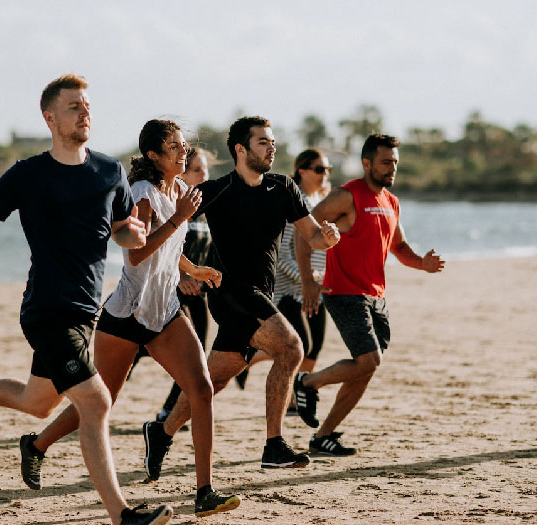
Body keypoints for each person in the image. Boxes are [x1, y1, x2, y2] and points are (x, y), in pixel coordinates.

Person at [0, 74, 172, 525]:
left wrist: (134, 236)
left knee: (37, 403)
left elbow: (123, 228)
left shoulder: (109, 172)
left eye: (87, 106)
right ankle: (122, 519)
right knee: (96, 403)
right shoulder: (28, 174)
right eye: (74, 107)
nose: (85, 113)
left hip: (85, 312)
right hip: (45, 310)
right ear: (50, 118)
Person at [19, 120, 240, 518]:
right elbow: (137, 253)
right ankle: (36, 445)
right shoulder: (142, 194)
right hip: (126, 314)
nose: (182, 151)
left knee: (202, 389)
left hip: (165, 312)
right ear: (154, 155)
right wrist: (180, 218)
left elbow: (168, 249)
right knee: (102, 401)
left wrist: (194, 269)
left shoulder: (180, 192)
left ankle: (204, 491)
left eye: (183, 144)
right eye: (173, 147)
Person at [141, 116, 340, 479]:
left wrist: (328, 237)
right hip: (230, 292)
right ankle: (273, 445)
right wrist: (185, 272)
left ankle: (161, 432)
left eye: (272, 141)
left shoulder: (283, 188)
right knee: (291, 348)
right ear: (240, 149)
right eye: (263, 142)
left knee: (212, 382)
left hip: (261, 293)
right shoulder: (217, 190)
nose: (271, 147)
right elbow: (169, 230)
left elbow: (312, 237)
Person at [294, 134, 445, 456]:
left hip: (376, 295)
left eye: (395, 163)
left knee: (366, 368)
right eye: (385, 162)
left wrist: (423, 264)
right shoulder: (345, 196)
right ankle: (307, 383)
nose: (392, 168)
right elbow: (302, 231)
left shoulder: (391, 201)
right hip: (344, 292)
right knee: (369, 360)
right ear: (367, 163)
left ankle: (323, 437)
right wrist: (308, 281)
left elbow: (399, 247)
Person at [233, 149, 333, 432]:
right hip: (290, 290)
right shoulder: (295, 200)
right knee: (302, 346)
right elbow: (284, 255)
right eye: (318, 169)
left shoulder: (320, 202)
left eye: (327, 170)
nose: (324, 174)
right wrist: (307, 279)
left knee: (315, 348)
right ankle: (252, 360)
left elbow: (321, 251)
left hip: (316, 286)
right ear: (301, 170)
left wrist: (321, 277)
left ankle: (295, 399)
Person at [153, 146, 217, 423]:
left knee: (196, 356)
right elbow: (158, 248)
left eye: (206, 170)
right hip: (170, 293)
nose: (204, 175)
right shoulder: (174, 208)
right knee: (143, 350)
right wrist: (181, 277)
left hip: (197, 296)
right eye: (197, 170)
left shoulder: (206, 210)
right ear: (182, 174)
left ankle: (169, 408)